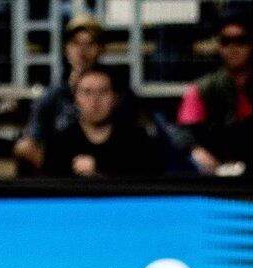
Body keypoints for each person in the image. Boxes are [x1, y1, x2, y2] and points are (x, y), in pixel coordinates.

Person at [14, 16, 140, 173]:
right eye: (76, 43)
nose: (82, 51)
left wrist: (98, 167)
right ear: (66, 48)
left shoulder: (120, 91)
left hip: (107, 165)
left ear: (101, 49)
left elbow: (128, 138)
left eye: (90, 44)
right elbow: (34, 136)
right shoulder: (52, 95)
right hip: (63, 164)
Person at [176, 8, 253, 174]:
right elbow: (184, 133)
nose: (233, 48)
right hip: (216, 174)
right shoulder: (202, 89)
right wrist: (195, 150)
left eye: (241, 40)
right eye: (226, 41)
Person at [41, 66, 159, 177]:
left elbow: (148, 183)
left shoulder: (137, 140)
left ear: (115, 98)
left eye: (103, 92)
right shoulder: (59, 143)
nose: (94, 100)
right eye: (87, 92)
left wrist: (99, 170)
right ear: (76, 98)